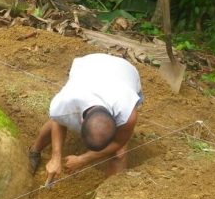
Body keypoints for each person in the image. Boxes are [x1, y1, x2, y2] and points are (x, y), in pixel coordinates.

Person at [29, 53, 142, 181]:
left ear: (115, 123)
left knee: (119, 153)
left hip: (126, 71)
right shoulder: (67, 100)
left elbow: (118, 142)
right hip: (90, 63)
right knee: (61, 117)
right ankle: (34, 151)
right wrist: (56, 157)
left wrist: (83, 159)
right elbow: (58, 121)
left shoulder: (127, 114)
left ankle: (108, 194)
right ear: (81, 122)